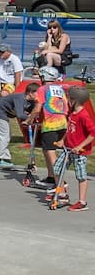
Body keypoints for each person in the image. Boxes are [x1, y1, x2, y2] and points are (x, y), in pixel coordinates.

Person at [0, 82, 38, 171]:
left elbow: (33, 112)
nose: (39, 95)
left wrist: (33, 117)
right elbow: (20, 114)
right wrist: (30, 117)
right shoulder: (20, 98)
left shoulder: (31, 102)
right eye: (37, 93)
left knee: (5, 136)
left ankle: (6, 159)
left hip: (3, 114)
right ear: (30, 93)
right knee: (4, 136)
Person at [58, 84, 93, 212]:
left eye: (69, 98)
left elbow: (93, 133)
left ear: (75, 101)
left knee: (81, 176)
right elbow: (69, 129)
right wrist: (62, 140)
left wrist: (79, 146)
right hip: (67, 149)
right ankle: (62, 194)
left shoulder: (84, 115)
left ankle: (82, 202)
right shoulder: (72, 113)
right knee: (57, 170)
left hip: (80, 152)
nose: (67, 100)